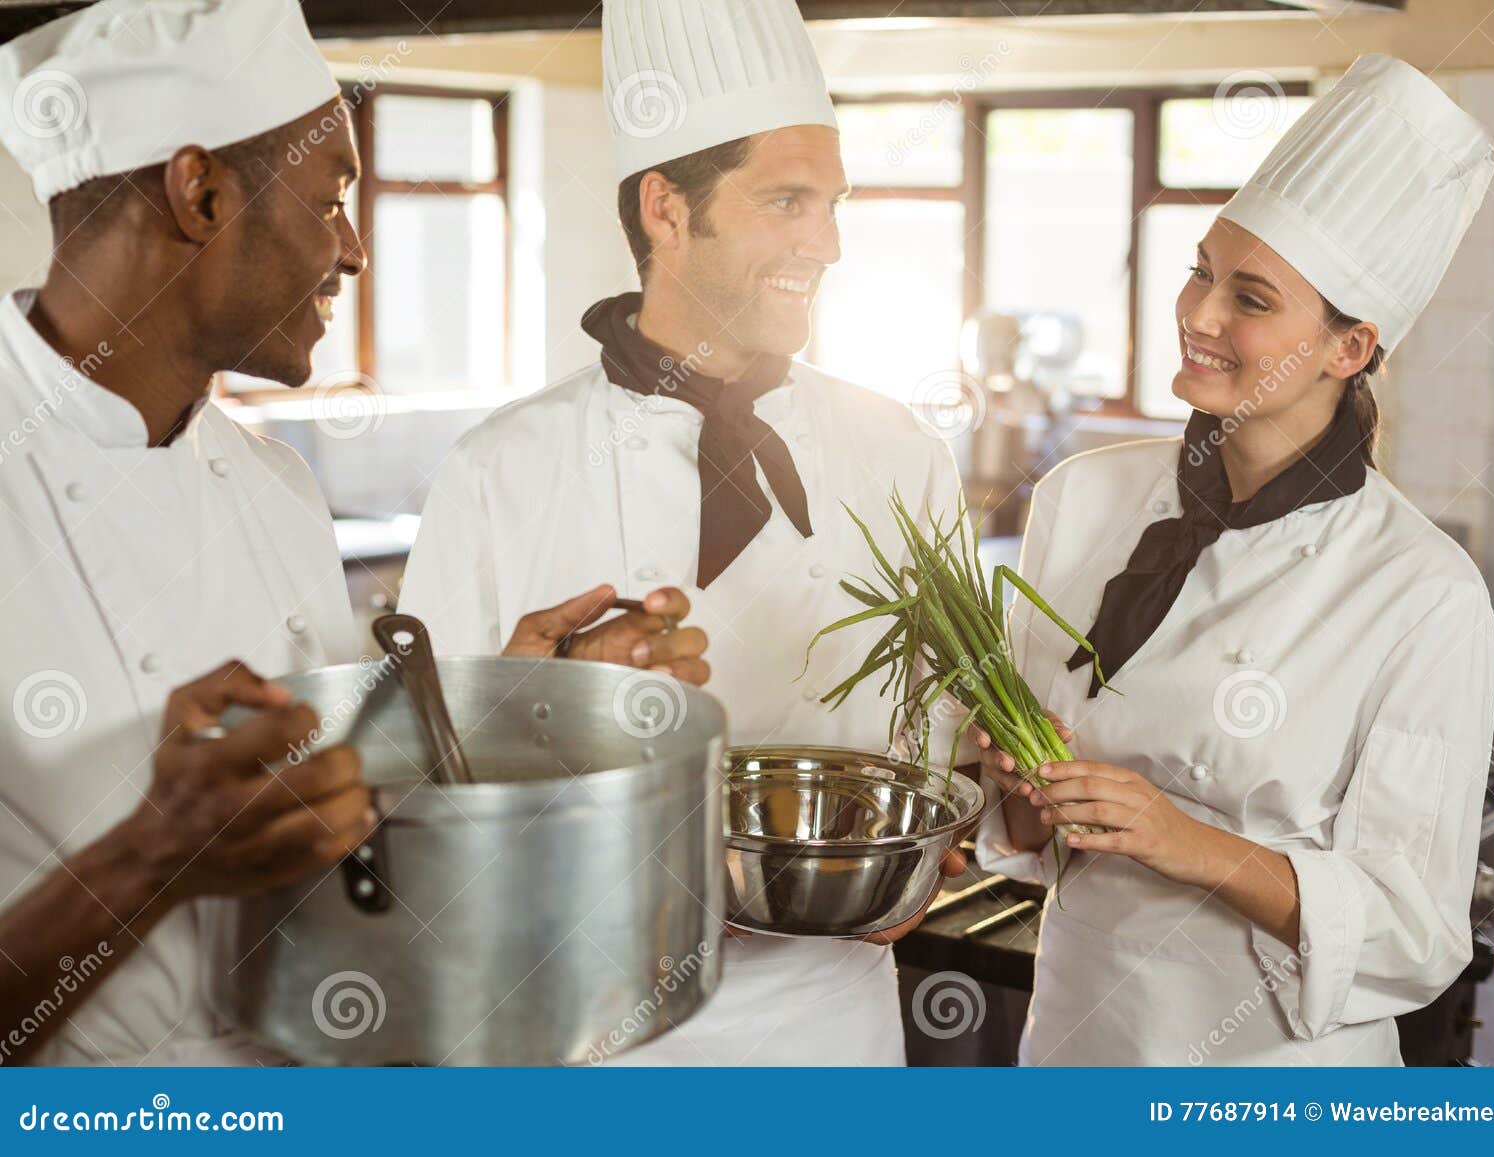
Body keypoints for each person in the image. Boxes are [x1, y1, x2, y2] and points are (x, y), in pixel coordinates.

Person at [0, 0, 705, 1066]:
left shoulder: (273, 485)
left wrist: (505, 707)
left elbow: (336, 833)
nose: (356, 250)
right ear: (200, 194)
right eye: (332, 197)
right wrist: (155, 853)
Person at [399, 0, 968, 1066]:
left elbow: (935, 732)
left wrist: (933, 854)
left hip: (829, 1027)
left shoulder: (899, 453)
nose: (828, 243)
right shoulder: (500, 468)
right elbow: (416, 802)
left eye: (834, 203)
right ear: (666, 208)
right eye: (789, 201)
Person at [971, 54, 1494, 1066]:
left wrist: (1183, 840)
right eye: (1200, 271)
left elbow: (1415, 930)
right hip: (1076, 1032)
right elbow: (1031, 836)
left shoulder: (1422, 591)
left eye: (1249, 298)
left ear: (1348, 349)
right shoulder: (1083, 497)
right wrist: (1020, 793)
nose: (1200, 315)